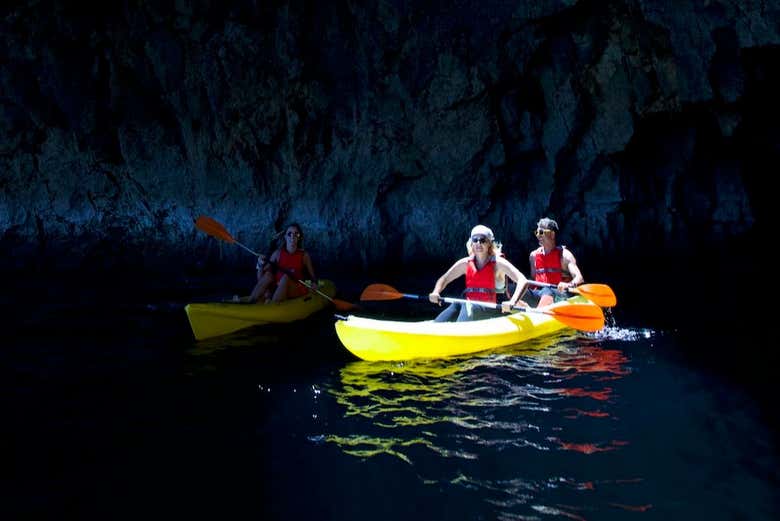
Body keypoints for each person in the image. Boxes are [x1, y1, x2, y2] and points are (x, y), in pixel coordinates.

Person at [428, 225, 528, 322]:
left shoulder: (498, 263)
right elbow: (445, 278)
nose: (478, 243)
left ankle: (459, 334)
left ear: (489, 243)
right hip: (472, 306)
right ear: (471, 243)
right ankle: (434, 328)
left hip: (496, 308)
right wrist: (436, 292)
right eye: (475, 240)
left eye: (482, 240)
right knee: (458, 302)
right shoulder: (465, 263)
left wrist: (513, 301)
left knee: (468, 305)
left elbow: (523, 280)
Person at [239, 223, 318, 303]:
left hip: (295, 288)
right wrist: (260, 264)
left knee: (285, 277)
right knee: (268, 275)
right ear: (285, 236)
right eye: (289, 234)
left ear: (299, 237)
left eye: (296, 234)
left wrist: (314, 283)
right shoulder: (277, 253)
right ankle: (250, 301)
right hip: (278, 288)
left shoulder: (304, 255)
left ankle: (272, 305)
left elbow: (313, 277)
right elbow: (261, 276)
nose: (292, 237)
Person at [525, 217, 584, 308]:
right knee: (517, 289)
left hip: (560, 295)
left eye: (541, 232)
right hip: (540, 294)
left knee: (548, 290)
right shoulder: (533, 256)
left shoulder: (565, 255)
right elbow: (533, 279)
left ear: (552, 234)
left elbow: (579, 278)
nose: (538, 235)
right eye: (536, 232)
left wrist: (569, 285)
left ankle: (539, 315)